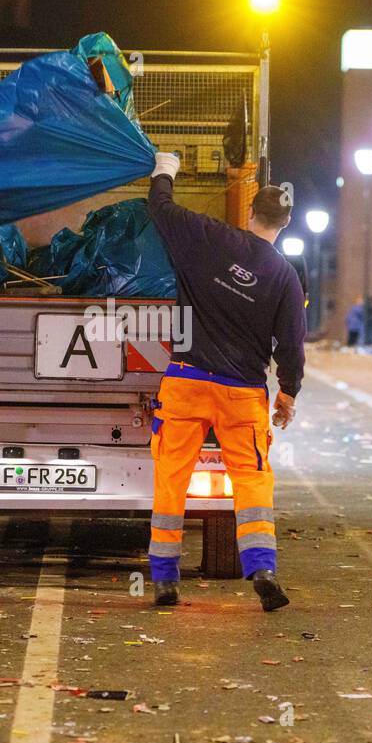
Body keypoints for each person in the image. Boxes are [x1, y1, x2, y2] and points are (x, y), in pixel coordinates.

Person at [143, 151, 304, 612]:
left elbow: (162, 210)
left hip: (187, 382)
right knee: (252, 481)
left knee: (171, 477)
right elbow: (291, 345)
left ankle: (165, 581)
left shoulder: (210, 238)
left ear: (251, 212)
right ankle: (262, 569)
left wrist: (165, 171)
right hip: (242, 394)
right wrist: (287, 394)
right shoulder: (284, 277)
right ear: (285, 223)